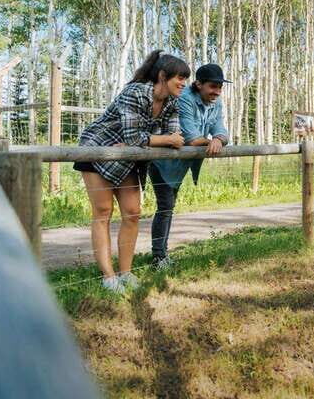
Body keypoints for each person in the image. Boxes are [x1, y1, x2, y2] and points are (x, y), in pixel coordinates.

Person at [75, 51, 189, 293]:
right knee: (103, 211)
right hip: (98, 149)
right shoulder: (135, 92)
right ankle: (108, 276)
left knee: (133, 212)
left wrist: (151, 141)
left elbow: (177, 139)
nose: (183, 83)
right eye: (180, 78)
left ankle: (126, 273)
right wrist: (160, 139)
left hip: (128, 158)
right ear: (162, 76)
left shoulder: (172, 103)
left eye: (185, 79)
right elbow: (137, 136)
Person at [149, 63, 230, 269]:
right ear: (198, 84)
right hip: (163, 162)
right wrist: (210, 141)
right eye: (213, 86)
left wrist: (218, 139)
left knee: (169, 206)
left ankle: (161, 254)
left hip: (181, 164)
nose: (217, 92)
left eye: (220, 87)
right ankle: (159, 258)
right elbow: (192, 137)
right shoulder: (184, 99)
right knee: (165, 207)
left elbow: (221, 130)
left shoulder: (215, 103)